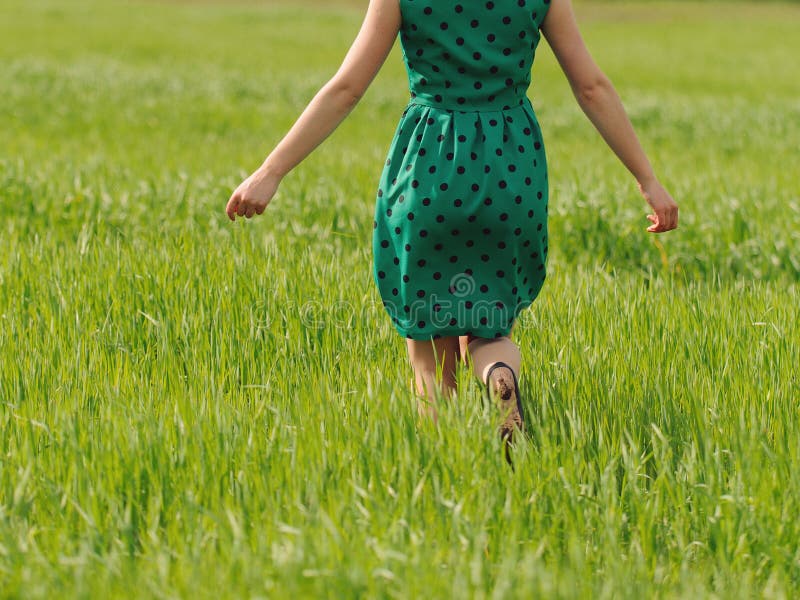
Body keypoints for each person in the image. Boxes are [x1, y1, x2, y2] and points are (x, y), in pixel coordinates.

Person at [225, 0, 679, 449]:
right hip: (510, 174)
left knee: (429, 352)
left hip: (430, 171)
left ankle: (443, 467)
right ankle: (499, 374)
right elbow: (592, 87)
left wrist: (271, 172)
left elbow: (346, 88)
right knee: (491, 328)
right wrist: (648, 180)